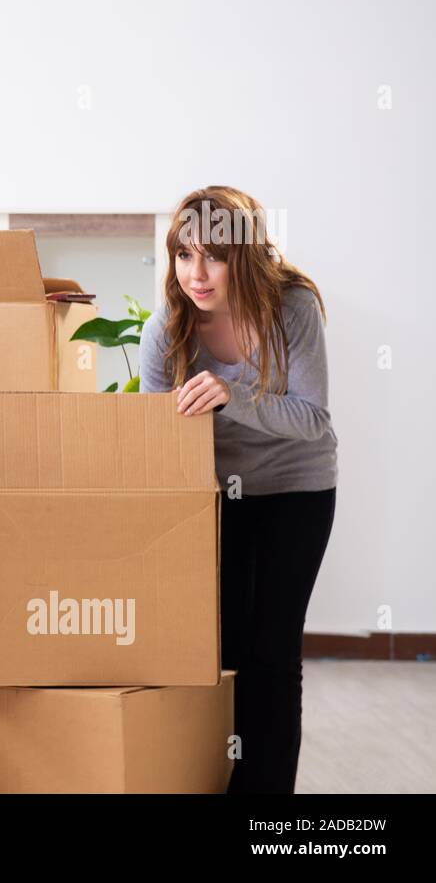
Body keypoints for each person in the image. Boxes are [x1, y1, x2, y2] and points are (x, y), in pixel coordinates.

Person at [140, 185, 338, 794]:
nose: (196, 275)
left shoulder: (292, 307)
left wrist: (235, 396)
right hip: (214, 498)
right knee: (219, 649)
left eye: (214, 257)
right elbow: (152, 443)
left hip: (295, 489)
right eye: (183, 256)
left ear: (244, 255)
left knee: (273, 654)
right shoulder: (168, 328)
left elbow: (314, 420)